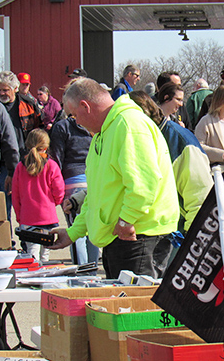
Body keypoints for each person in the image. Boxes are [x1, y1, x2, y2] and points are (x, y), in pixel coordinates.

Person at [50, 77, 179, 280]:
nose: (76, 122)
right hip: (122, 236)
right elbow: (97, 196)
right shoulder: (105, 133)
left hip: (138, 236)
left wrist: (127, 219)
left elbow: (145, 182)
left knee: (135, 309)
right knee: (120, 306)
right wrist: (73, 232)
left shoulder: (128, 124)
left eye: (74, 115)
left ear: (85, 106)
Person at [129, 91, 212, 233]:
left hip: (175, 232)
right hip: (144, 230)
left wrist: (191, 240)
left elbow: (199, 197)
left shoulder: (180, 142)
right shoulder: (136, 139)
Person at [49, 113, 99, 266]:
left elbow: (57, 158)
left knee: (76, 231)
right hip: (92, 180)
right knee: (91, 228)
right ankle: (92, 267)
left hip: (72, 182)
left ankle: (81, 270)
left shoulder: (62, 127)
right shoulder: (96, 126)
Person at [12, 129, 65, 263]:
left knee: (31, 254)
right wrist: (54, 202)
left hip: (28, 218)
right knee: (45, 255)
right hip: (47, 217)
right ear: (46, 147)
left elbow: (16, 195)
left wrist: (19, 216)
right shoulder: (51, 166)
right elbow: (59, 190)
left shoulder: (20, 167)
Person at [0, 71, 42, 218]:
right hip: (2, 163)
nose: (2, 93)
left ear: (15, 88)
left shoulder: (28, 104)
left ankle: (27, 238)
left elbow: (38, 130)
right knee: (4, 207)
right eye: (0, 90)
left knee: (28, 204)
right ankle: (7, 240)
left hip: (26, 161)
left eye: (6, 90)